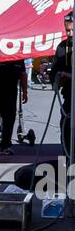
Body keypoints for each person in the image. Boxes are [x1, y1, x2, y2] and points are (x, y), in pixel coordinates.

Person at [51, 12, 72, 158]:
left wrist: (69, 76)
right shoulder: (62, 47)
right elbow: (55, 70)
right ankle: (66, 157)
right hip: (69, 96)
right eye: (67, 31)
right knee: (65, 127)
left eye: (72, 30)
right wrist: (56, 80)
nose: (70, 34)